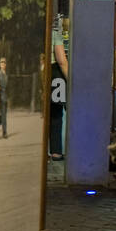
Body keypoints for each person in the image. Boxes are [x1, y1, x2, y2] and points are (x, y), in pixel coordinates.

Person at [50, 17, 68, 160]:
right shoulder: (55, 34)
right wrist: (71, 80)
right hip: (55, 77)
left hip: (40, 74)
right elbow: (61, 61)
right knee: (56, 114)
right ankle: (56, 151)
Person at [0, 58, 9, 139]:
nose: (3, 64)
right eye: (1, 62)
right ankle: (4, 132)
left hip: (5, 96)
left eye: (4, 62)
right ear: (0, 64)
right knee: (3, 116)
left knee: (3, 115)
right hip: (1, 97)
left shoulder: (6, 74)